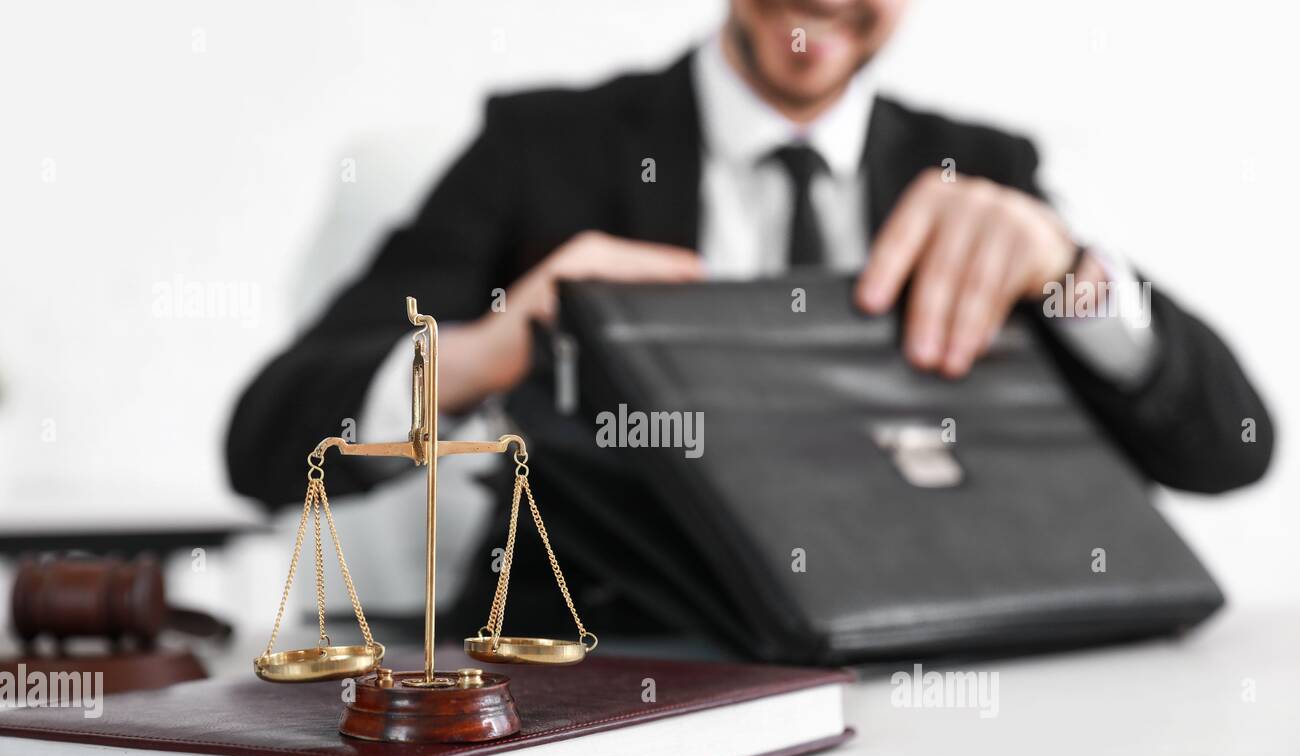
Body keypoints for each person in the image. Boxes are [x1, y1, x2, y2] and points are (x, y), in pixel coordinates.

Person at [227, 0, 1272, 636]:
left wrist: (1073, 273)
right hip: (601, 677)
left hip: (931, 654)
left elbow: (1230, 447)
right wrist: (502, 341)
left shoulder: (989, 169)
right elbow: (270, 435)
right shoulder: (545, 148)